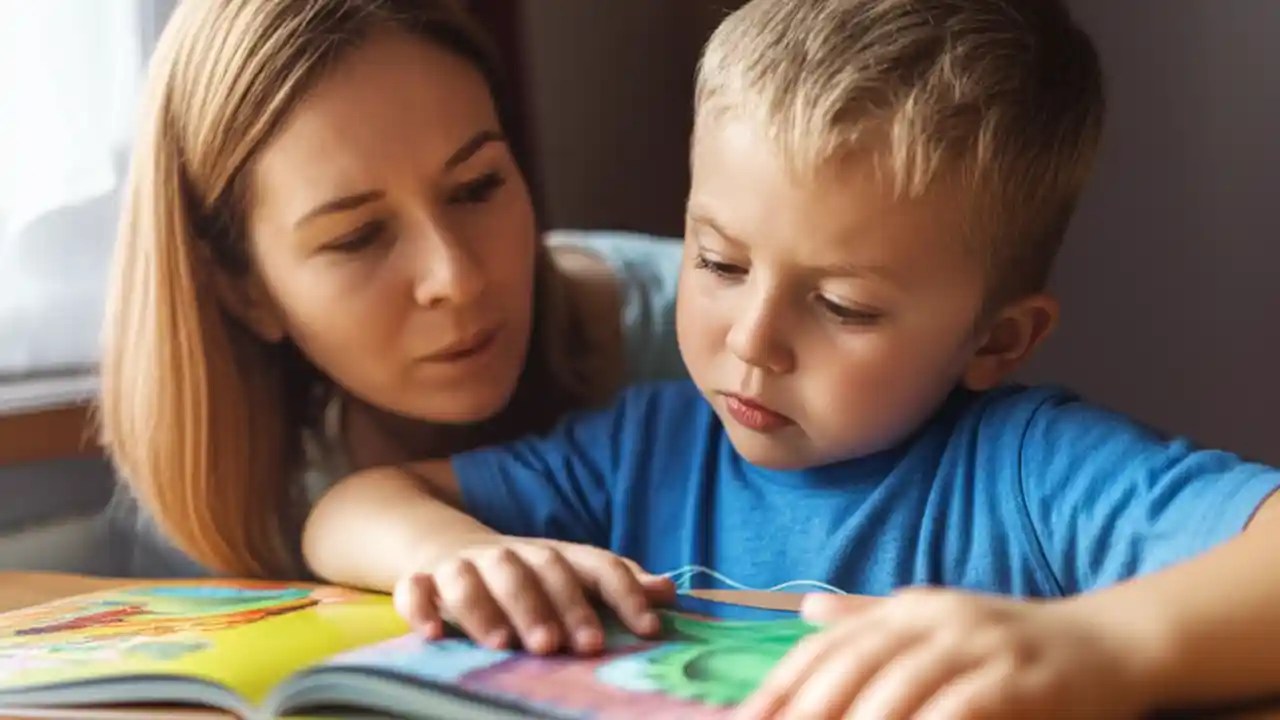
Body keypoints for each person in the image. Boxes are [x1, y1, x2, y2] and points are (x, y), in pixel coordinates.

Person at [303, 0, 1280, 716]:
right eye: (718, 261)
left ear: (994, 339)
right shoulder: (640, 450)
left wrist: (1100, 647)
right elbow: (355, 506)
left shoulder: (1027, 472)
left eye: (842, 305)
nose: (750, 339)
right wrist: (457, 556)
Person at [95, 0, 685, 580]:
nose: (455, 277)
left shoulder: (725, 342)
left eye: (477, 187)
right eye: (357, 237)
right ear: (240, 288)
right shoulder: (227, 493)